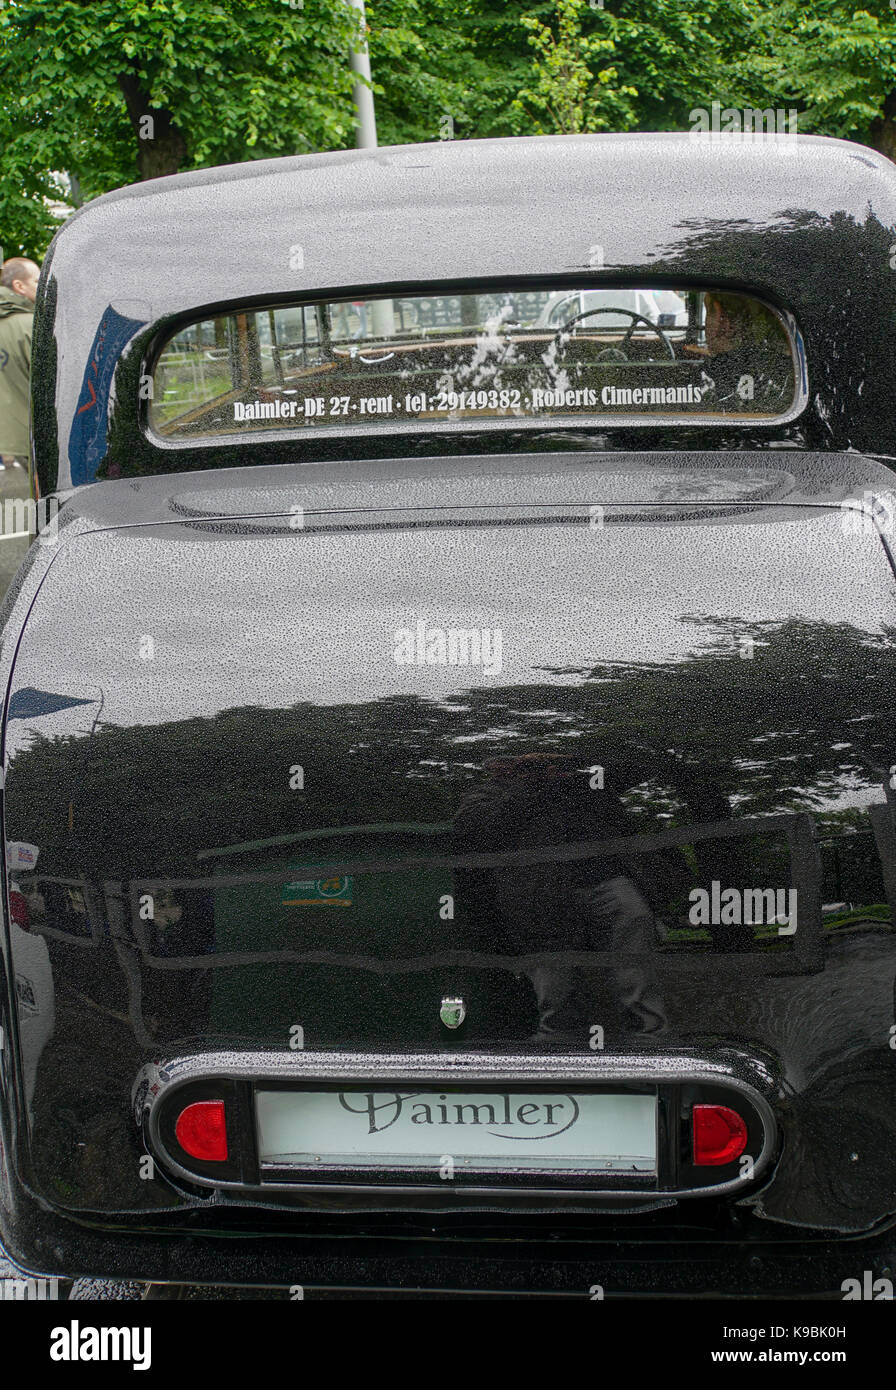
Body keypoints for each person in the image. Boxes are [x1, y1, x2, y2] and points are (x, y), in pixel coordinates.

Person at [0, 256, 40, 470]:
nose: (42, 286)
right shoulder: (30, 326)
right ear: (19, 286)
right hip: (24, 445)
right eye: (37, 281)